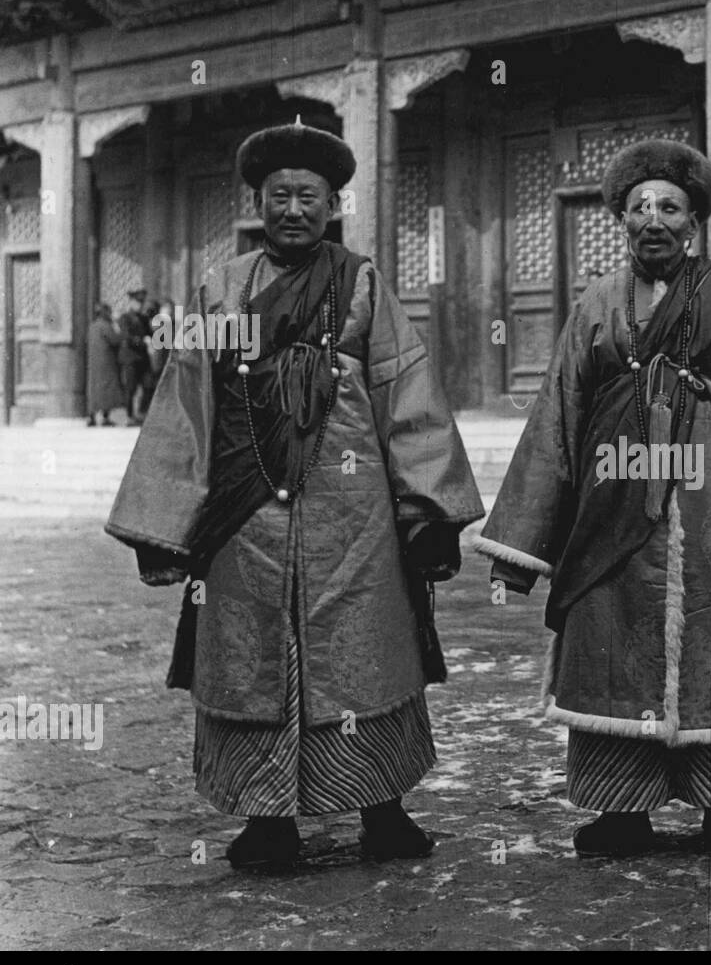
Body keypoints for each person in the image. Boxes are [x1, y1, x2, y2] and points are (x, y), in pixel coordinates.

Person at [106, 118, 484, 869]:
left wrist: (430, 509)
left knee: (365, 653)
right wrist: (163, 523)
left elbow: (404, 391)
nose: (292, 210)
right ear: (257, 202)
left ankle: (384, 808)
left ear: (331, 204)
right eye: (278, 195)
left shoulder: (362, 282)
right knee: (250, 658)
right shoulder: (224, 286)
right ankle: (267, 820)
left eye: (308, 196)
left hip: (355, 518)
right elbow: (188, 398)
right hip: (246, 517)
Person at [473, 139, 711, 858]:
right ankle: (621, 808)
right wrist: (521, 545)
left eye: (670, 207)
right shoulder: (596, 303)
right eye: (640, 206)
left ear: (694, 223)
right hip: (611, 510)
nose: (654, 219)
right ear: (620, 218)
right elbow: (557, 414)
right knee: (612, 649)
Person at [116, 288, 151, 424]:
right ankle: (129, 416)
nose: (140, 305)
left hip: (142, 358)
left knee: (148, 384)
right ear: (131, 302)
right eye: (137, 302)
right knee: (130, 387)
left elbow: (149, 334)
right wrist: (143, 341)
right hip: (130, 357)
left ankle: (142, 412)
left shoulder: (143, 318)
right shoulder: (125, 318)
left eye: (141, 302)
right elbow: (127, 337)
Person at [86, 302, 123, 426]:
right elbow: (115, 340)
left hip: (94, 363)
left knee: (94, 389)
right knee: (107, 389)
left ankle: (91, 417)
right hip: (106, 362)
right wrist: (117, 326)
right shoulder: (106, 326)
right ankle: (105, 417)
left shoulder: (93, 326)